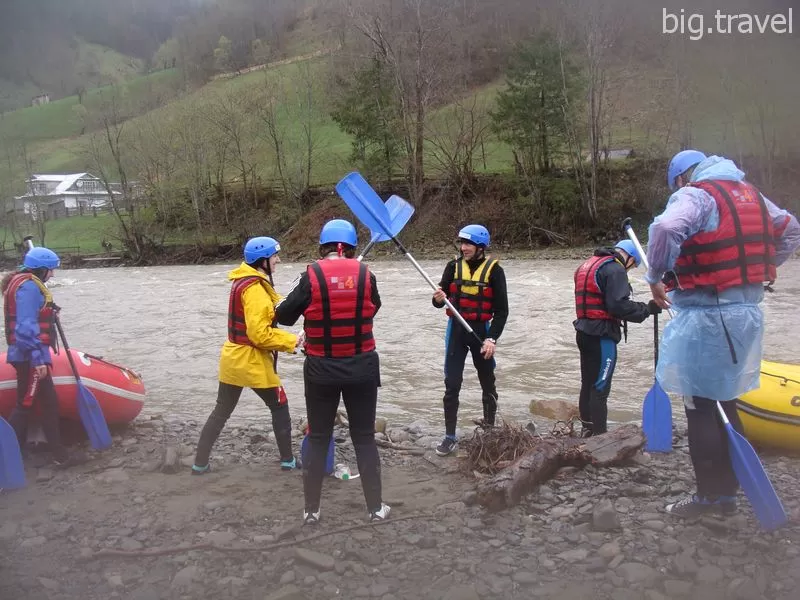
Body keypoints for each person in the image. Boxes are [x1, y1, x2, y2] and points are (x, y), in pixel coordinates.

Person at [645, 150, 800, 518]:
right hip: (746, 314)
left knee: (699, 408)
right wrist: (757, 268)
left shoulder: (696, 195)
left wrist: (654, 278)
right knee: (726, 402)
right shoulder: (750, 194)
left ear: (682, 177)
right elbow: (791, 228)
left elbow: (665, 229)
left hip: (707, 318)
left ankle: (710, 499)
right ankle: (726, 493)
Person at [275, 219, 389, 525]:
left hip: (321, 370)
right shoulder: (367, 275)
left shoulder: (309, 276)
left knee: (319, 437)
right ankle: (375, 508)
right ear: (349, 248)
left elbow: (283, 316)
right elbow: (373, 307)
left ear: (324, 247)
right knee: (364, 438)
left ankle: (311, 510)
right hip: (362, 367)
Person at [192, 236, 302, 475]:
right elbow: (259, 336)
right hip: (251, 362)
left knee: (221, 411)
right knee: (279, 406)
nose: (278, 260)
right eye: (275, 256)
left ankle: (199, 463)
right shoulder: (255, 290)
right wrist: (294, 341)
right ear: (262, 261)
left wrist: (301, 296)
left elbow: (278, 305)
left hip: (232, 359)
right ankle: (288, 461)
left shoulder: (248, 281)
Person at [2, 247, 86, 467]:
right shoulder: (29, 287)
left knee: (47, 402)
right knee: (26, 404)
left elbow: (31, 317)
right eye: (50, 270)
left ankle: (52, 453)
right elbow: (25, 329)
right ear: (40, 270)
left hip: (26, 355)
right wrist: (39, 361)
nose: (53, 274)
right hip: (31, 357)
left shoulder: (23, 283)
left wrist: (50, 310)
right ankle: (6, 454)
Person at [431, 224, 509, 456]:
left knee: (488, 382)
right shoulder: (452, 267)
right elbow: (438, 301)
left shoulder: (495, 271)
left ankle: (489, 429)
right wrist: (437, 298)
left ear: (480, 247)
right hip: (456, 331)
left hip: (481, 333)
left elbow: (502, 311)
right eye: (462, 243)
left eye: (468, 244)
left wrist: (492, 339)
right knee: (452, 384)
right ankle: (450, 436)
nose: (463, 247)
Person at [573, 240, 660, 437]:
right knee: (600, 388)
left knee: (587, 385)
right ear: (629, 257)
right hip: (602, 335)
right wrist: (647, 309)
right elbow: (618, 306)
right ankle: (600, 437)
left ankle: (587, 431)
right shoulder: (615, 269)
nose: (631, 268)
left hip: (584, 333)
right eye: (634, 264)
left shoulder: (586, 265)